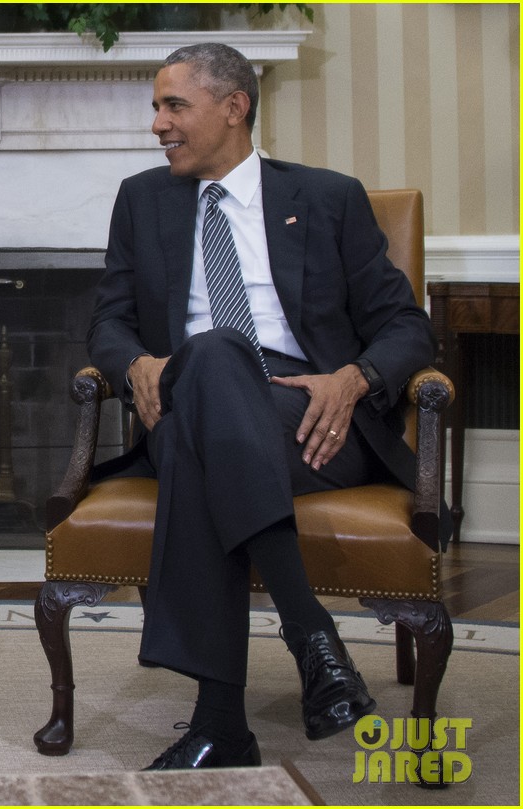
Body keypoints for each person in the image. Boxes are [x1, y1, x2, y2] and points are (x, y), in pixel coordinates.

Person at [87, 43, 447, 769]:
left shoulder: (327, 197)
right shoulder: (142, 199)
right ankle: (310, 632)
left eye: (174, 105)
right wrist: (138, 364)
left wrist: (354, 378)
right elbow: (108, 323)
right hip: (189, 392)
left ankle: (222, 724)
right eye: (156, 107)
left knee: (195, 439)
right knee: (215, 355)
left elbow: (408, 325)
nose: (157, 124)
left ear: (234, 107)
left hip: (312, 419)